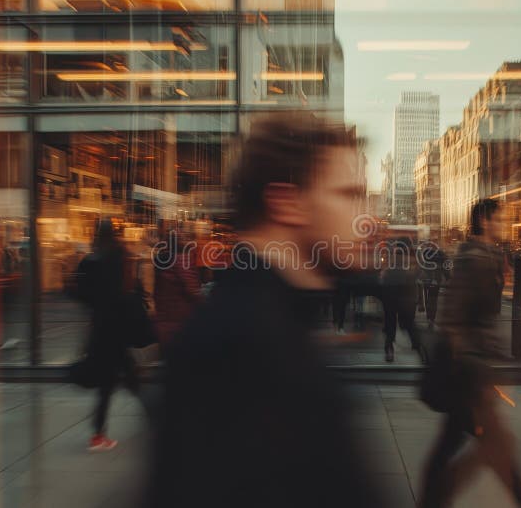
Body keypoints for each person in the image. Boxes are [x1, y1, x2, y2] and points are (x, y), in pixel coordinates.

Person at [147, 114, 383, 508]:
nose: (367, 219)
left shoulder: (269, 325)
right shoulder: (247, 349)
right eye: (349, 194)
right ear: (287, 202)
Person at [421, 199, 521, 508]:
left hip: (474, 368)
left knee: (471, 445)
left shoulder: (486, 257)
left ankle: (432, 499)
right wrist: (479, 371)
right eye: (500, 219)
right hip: (471, 372)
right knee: (496, 446)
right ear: (485, 222)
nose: (504, 224)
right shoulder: (473, 260)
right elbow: (453, 320)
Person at [77, 219, 138, 451]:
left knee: (108, 382)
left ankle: (98, 435)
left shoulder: (91, 258)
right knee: (127, 379)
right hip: (117, 327)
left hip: (100, 327)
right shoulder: (118, 254)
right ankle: (157, 419)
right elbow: (127, 289)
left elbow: (79, 292)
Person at [153, 232, 202, 347]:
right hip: (181, 323)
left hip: (163, 322)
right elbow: (193, 292)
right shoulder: (182, 261)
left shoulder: (162, 261)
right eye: (185, 239)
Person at [380, 237, 423, 362]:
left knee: (390, 323)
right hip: (406, 294)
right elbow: (417, 272)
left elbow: (383, 271)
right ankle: (419, 349)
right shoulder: (412, 256)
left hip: (390, 293)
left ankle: (389, 350)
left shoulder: (391, 254)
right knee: (409, 324)